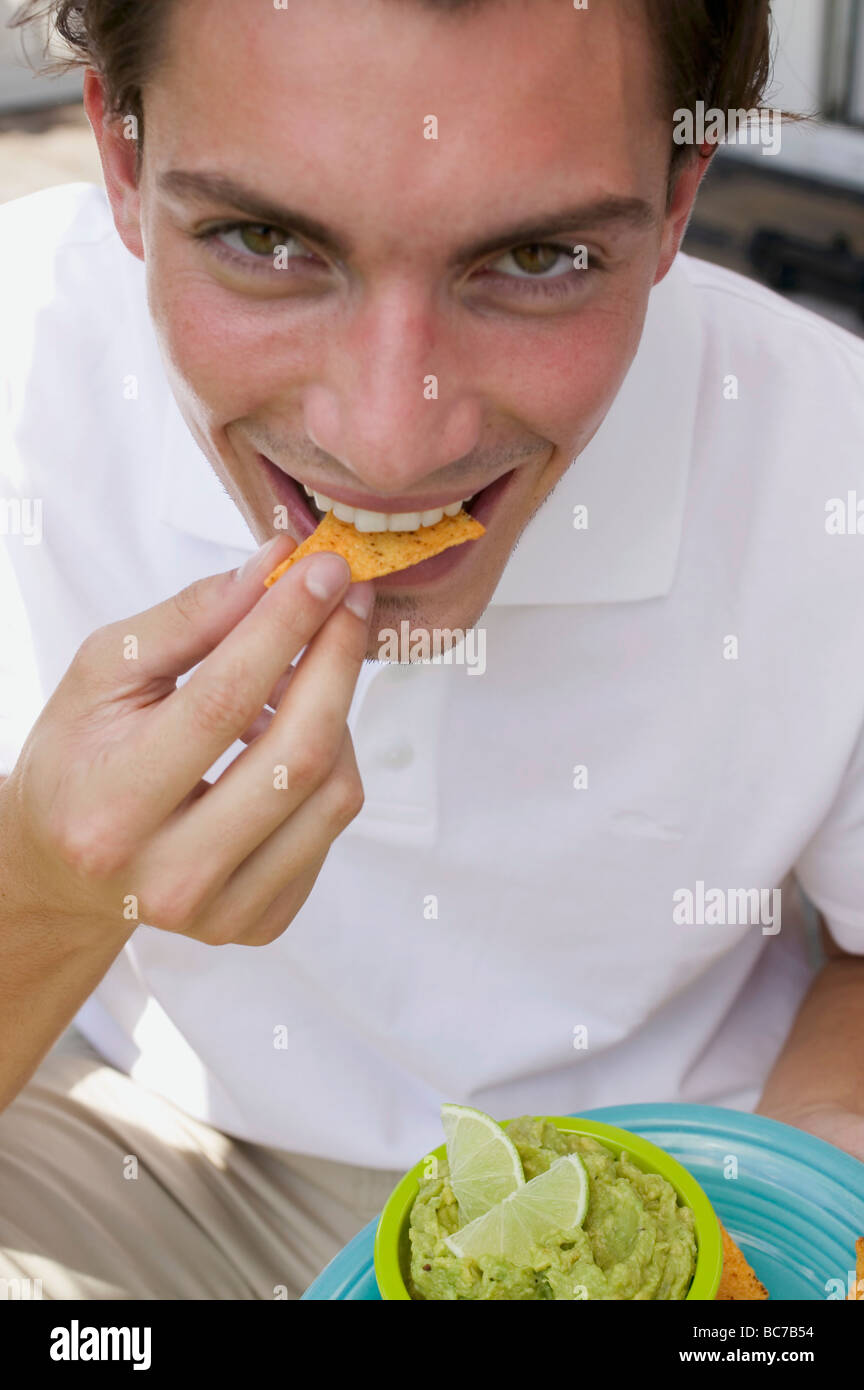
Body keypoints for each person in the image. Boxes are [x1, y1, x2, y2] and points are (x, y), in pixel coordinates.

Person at [1, 0, 863, 1301]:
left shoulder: (828, 465)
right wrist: (48, 895)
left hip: (672, 1162)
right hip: (136, 1145)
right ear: (121, 162)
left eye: (538, 257)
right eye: (266, 240)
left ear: (681, 191)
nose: (390, 446)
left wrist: (799, 1188)